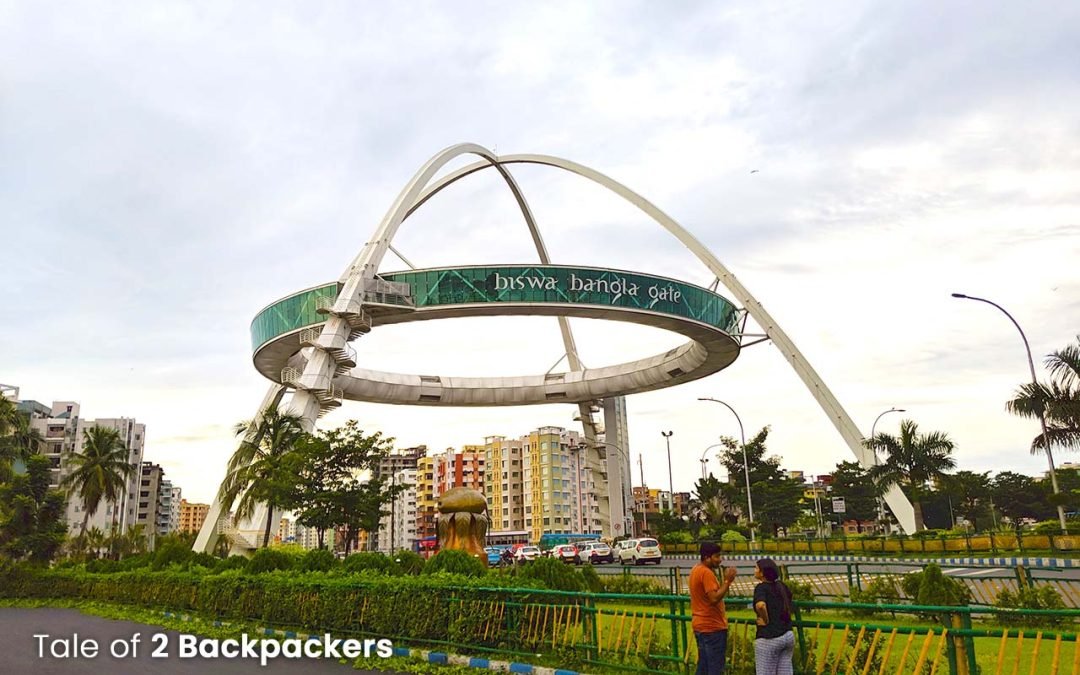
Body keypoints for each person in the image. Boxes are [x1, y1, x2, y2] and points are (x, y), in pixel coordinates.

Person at [689, 541, 737, 674]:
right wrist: (728, 581)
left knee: (703, 666)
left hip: (700, 625)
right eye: (716, 556)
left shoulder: (695, 570)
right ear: (706, 557)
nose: (719, 560)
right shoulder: (706, 573)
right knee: (715, 667)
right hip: (712, 627)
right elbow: (714, 598)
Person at [753, 557, 795, 675]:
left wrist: (766, 620)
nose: (754, 570)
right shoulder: (781, 586)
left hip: (769, 638)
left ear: (762, 573)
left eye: (756, 568)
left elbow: (761, 605)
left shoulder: (761, 588)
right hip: (787, 635)